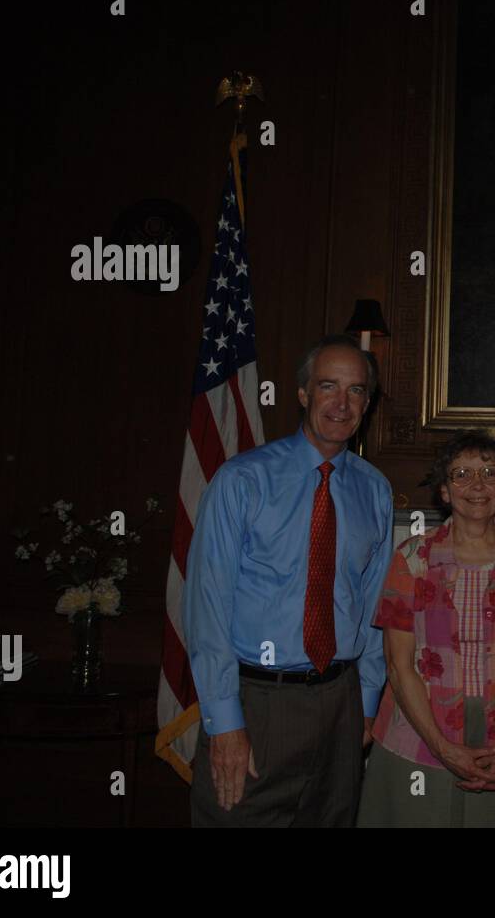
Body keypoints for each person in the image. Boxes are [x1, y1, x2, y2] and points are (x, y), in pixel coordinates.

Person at [183, 333, 394, 826]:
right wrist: (225, 724)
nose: (342, 404)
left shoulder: (375, 491)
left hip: (340, 705)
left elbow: (374, 606)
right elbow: (206, 608)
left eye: (357, 391)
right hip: (256, 703)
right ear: (302, 393)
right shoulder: (242, 481)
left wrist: (365, 704)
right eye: (328, 386)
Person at [358, 430, 495, 827]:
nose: (476, 485)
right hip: (418, 731)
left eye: (490, 472)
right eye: (461, 474)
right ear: (444, 491)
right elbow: (399, 667)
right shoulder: (411, 558)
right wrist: (441, 747)